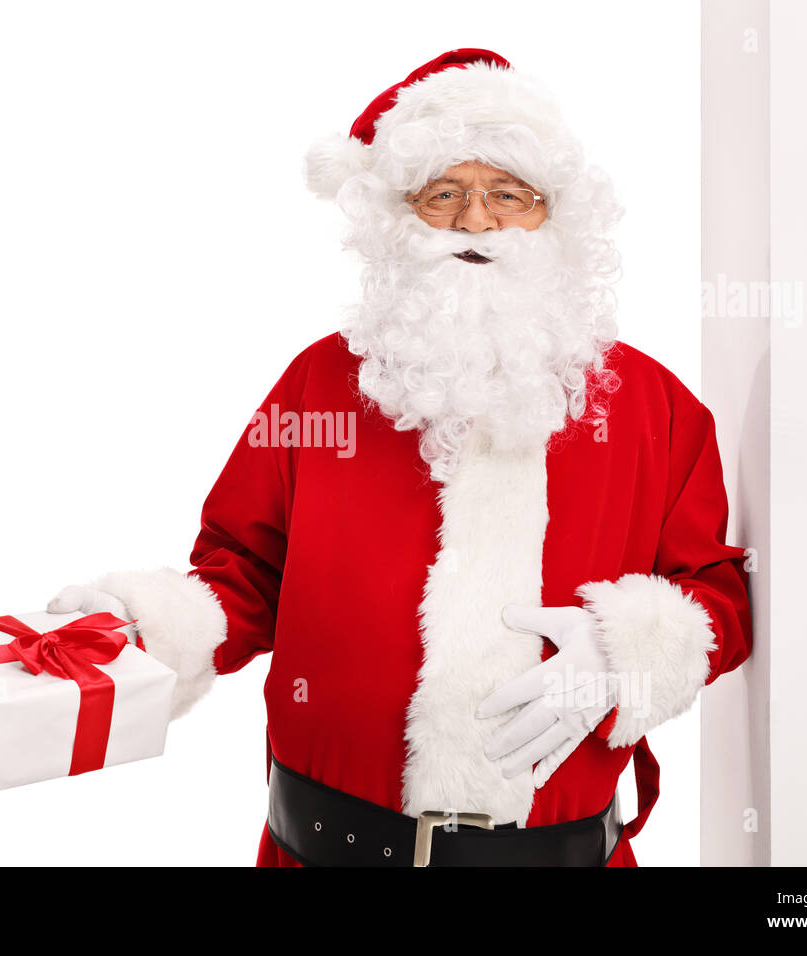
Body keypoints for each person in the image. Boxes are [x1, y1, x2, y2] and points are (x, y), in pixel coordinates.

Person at [49, 48, 752, 867]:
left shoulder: (651, 405)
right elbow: (245, 570)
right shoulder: (322, 381)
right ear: (400, 219)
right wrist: (142, 631)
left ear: (554, 217)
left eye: (509, 195)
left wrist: (626, 651)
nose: (477, 222)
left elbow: (719, 589)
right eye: (444, 195)